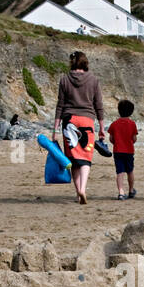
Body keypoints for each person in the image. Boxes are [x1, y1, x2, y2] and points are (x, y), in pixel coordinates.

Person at [53, 50, 105, 205]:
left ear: (72, 62)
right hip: (87, 120)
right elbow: (99, 105)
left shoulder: (64, 80)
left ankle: (78, 192)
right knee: (85, 158)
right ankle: (83, 188)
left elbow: (60, 105)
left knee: (73, 159)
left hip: (69, 121)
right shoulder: (94, 80)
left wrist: (55, 128)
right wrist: (102, 127)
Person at [109, 99, 138, 200]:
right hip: (129, 151)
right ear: (131, 111)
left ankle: (121, 192)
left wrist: (116, 143)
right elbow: (134, 138)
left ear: (119, 110)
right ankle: (130, 190)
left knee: (119, 172)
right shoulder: (132, 124)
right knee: (130, 171)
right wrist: (130, 142)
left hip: (117, 151)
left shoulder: (114, 124)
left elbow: (111, 138)